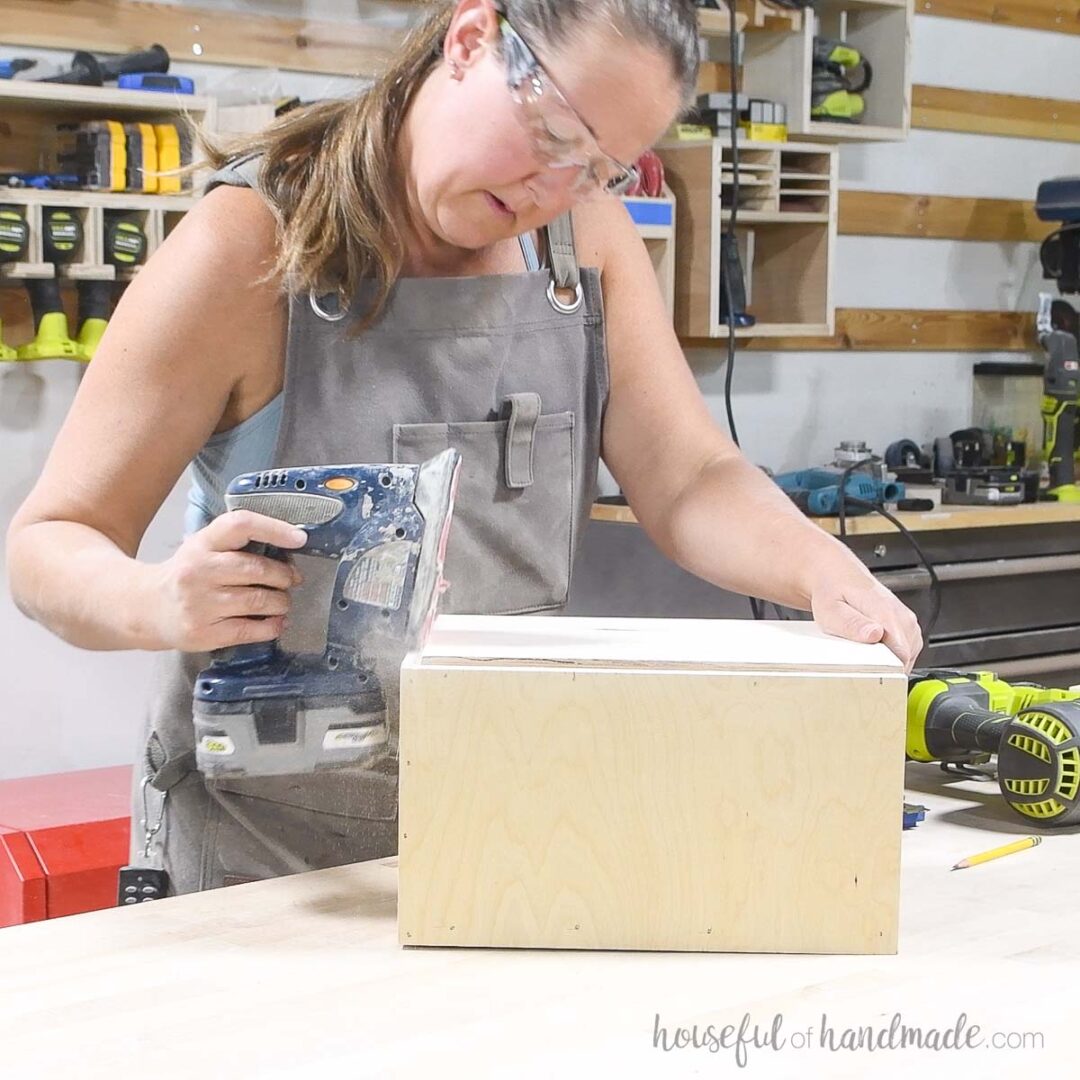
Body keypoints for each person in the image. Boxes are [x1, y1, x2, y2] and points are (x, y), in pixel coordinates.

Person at [6, 0, 922, 894]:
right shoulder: (248, 247)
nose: (551, 192)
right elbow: (48, 543)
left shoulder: (584, 246)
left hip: (500, 818)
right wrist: (158, 600)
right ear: (472, 38)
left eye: (599, 168)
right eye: (554, 136)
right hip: (263, 851)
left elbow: (689, 476)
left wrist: (818, 568)